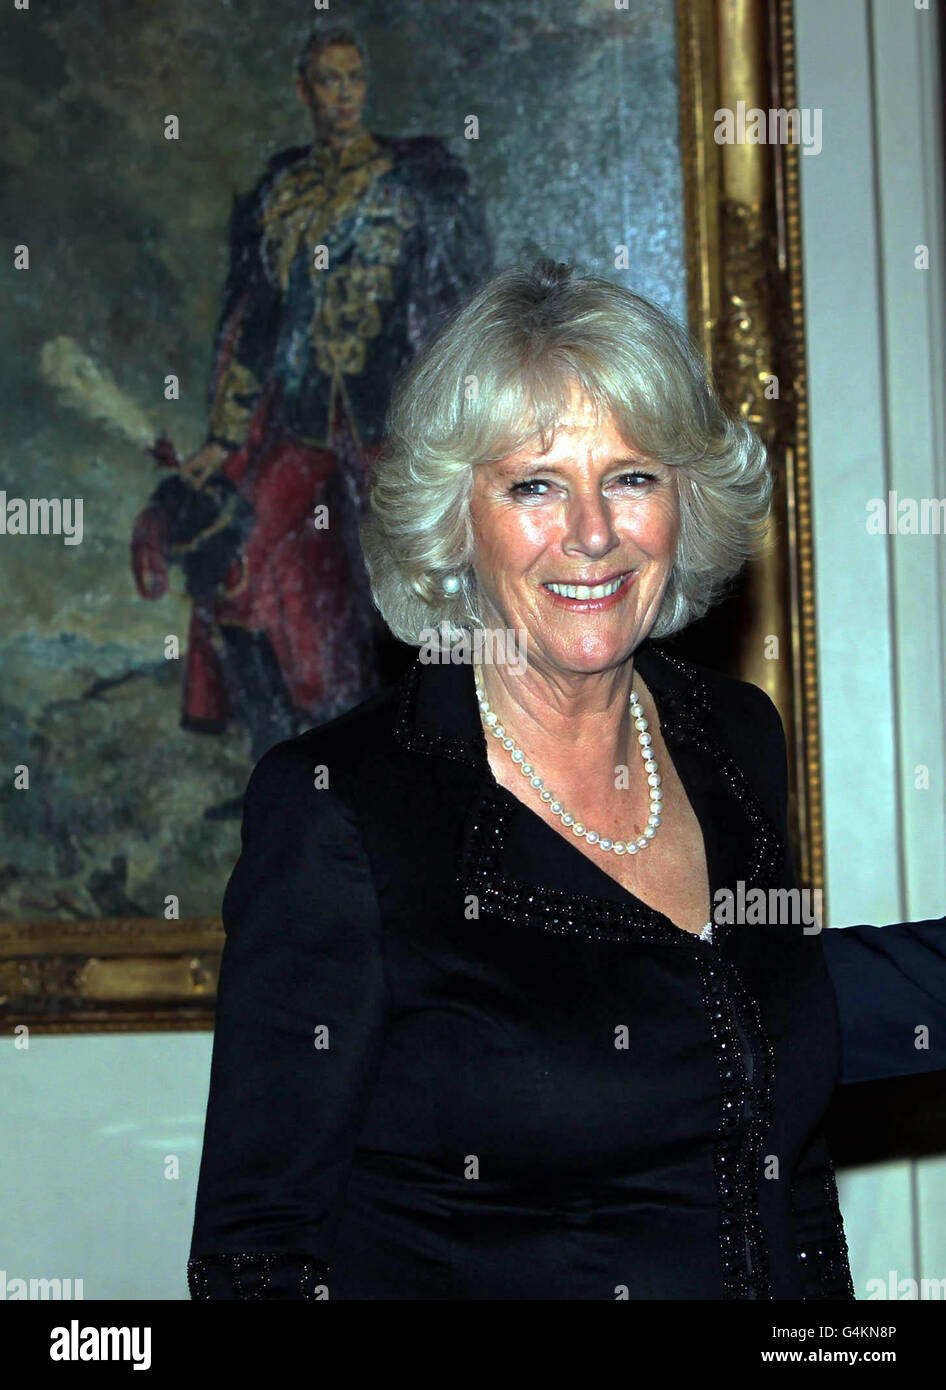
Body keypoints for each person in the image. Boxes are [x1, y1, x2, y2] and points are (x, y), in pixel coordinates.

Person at [187, 259, 945, 1300]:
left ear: (686, 502)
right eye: (534, 484)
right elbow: (258, 1255)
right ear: (458, 519)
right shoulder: (341, 805)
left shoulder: (731, 739)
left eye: (631, 476)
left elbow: (784, 1137)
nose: (591, 534)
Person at [131, 24, 491, 781]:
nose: (343, 95)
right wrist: (223, 441)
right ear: (304, 92)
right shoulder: (281, 194)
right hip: (295, 425)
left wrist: (454, 427)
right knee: (235, 570)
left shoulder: (412, 188)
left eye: (353, 78)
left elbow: (444, 315)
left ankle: (415, 779)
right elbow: (254, 327)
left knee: (402, 597)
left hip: (385, 431)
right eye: (327, 81)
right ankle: (284, 776)